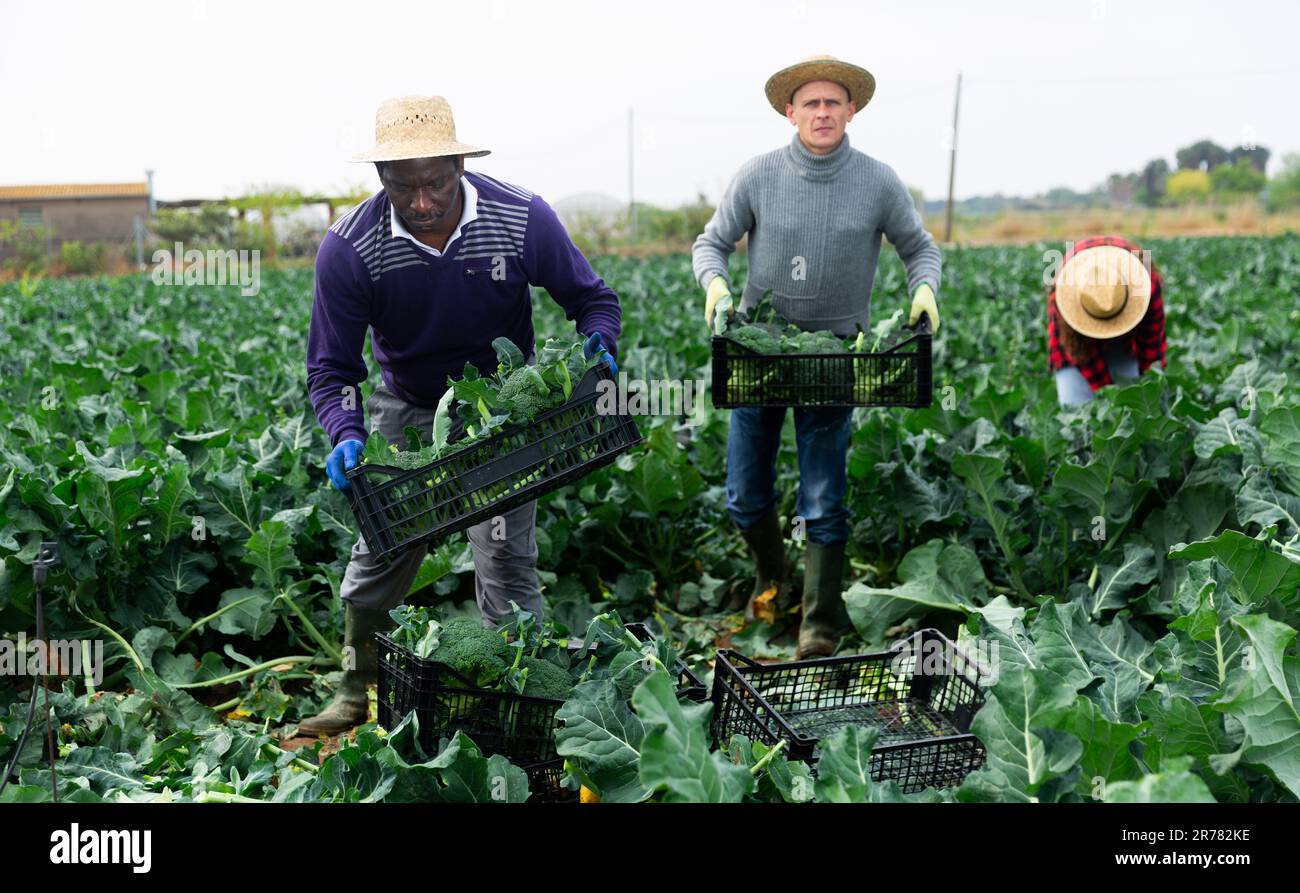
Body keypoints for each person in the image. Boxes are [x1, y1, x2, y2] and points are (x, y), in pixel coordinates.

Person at [301, 95, 621, 735]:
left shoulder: (521, 216)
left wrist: (598, 345)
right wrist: (345, 432)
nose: (421, 201)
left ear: (458, 165)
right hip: (407, 406)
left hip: (501, 411)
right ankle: (355, 688)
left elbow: (592, 300)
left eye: (435, 182)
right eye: (403, 186)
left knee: (505, 560)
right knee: (376, 562)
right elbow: (332, 368)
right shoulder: (349, 247)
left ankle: (519, 701)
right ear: (380, 180)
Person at [692, 55, 942, 658]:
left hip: (836, 359)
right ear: (791, 112)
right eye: (812, 103)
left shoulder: (878, 181)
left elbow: (919, 247)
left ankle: (820, 623)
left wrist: (925, 288)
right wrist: (717, 286)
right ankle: (774, 581)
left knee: (824, 498)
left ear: (851, 110)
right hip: (761, 354)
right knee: (744, 495)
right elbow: (712, 242)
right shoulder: (758, 175)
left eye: (834, 102)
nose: (823, 112)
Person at [1048, 236, 1166, 406]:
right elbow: (1080, 354)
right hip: (1076, 345)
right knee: (1076, 408)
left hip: (1125, 342)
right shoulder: (1064, 295)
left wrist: (1151, 384)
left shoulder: (1147, 287)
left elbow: (1151, 347)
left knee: (1136, 403)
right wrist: (1108, 396)